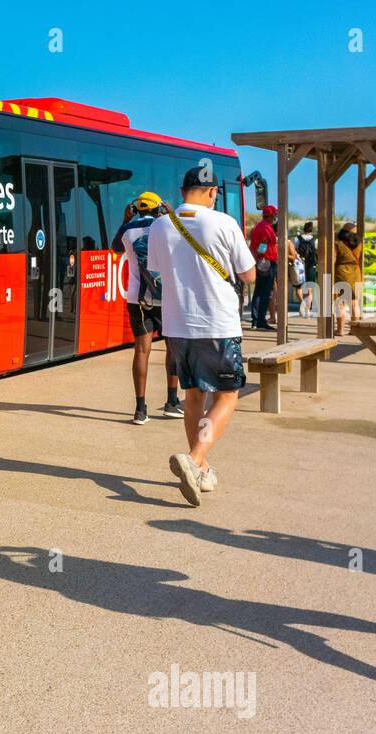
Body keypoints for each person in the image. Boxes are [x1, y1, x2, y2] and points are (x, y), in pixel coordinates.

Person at [146, 166, 257, 506]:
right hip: (218, 324)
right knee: (226, 395)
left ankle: (203, 469)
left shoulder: (159, 225)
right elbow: (249, 274)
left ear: (182, 190)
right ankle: (194, 460)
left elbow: (155, 271)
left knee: (193, 397)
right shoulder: (223, 222)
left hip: (178, 325)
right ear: (212, 193)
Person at [112, 191, 182, 424]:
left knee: (141, 350)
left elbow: (115, 248)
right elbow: (187, 241)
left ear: (136, 209)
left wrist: (125, 220)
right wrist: (173, 216)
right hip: (167, 298)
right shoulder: (168, 227)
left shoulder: (128, 231)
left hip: (137, 299)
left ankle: (140, 409)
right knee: (172, 347)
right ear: (158, 209)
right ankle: (172, 402)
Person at [248, 205, 287, 330]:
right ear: (270, 215)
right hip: (267, 262)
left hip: (261, 261)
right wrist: (261, 255)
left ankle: (256, 320)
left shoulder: (258, 226)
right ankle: (260, 321)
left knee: (259, 291)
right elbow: (263, 244)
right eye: (274, 214)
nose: (276, 216)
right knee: (265, 292)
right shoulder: (266, 227)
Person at [333, 222, 363, 336]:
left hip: (342, 272)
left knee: (340, 303)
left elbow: (334, 259)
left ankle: (340, 330)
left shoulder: (338, 244)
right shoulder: (359, 244)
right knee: (354, 302)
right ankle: (355, 330)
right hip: (356, 272)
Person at [295, 221, 318, 318]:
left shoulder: (297, 238)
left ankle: (302, 306)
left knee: (299, 287)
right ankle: (307, 311)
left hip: (299, 265)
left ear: (304, 229)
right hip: (311, 265)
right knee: (309, 289)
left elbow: (294, 250)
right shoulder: (316, 240)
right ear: (312, 230)